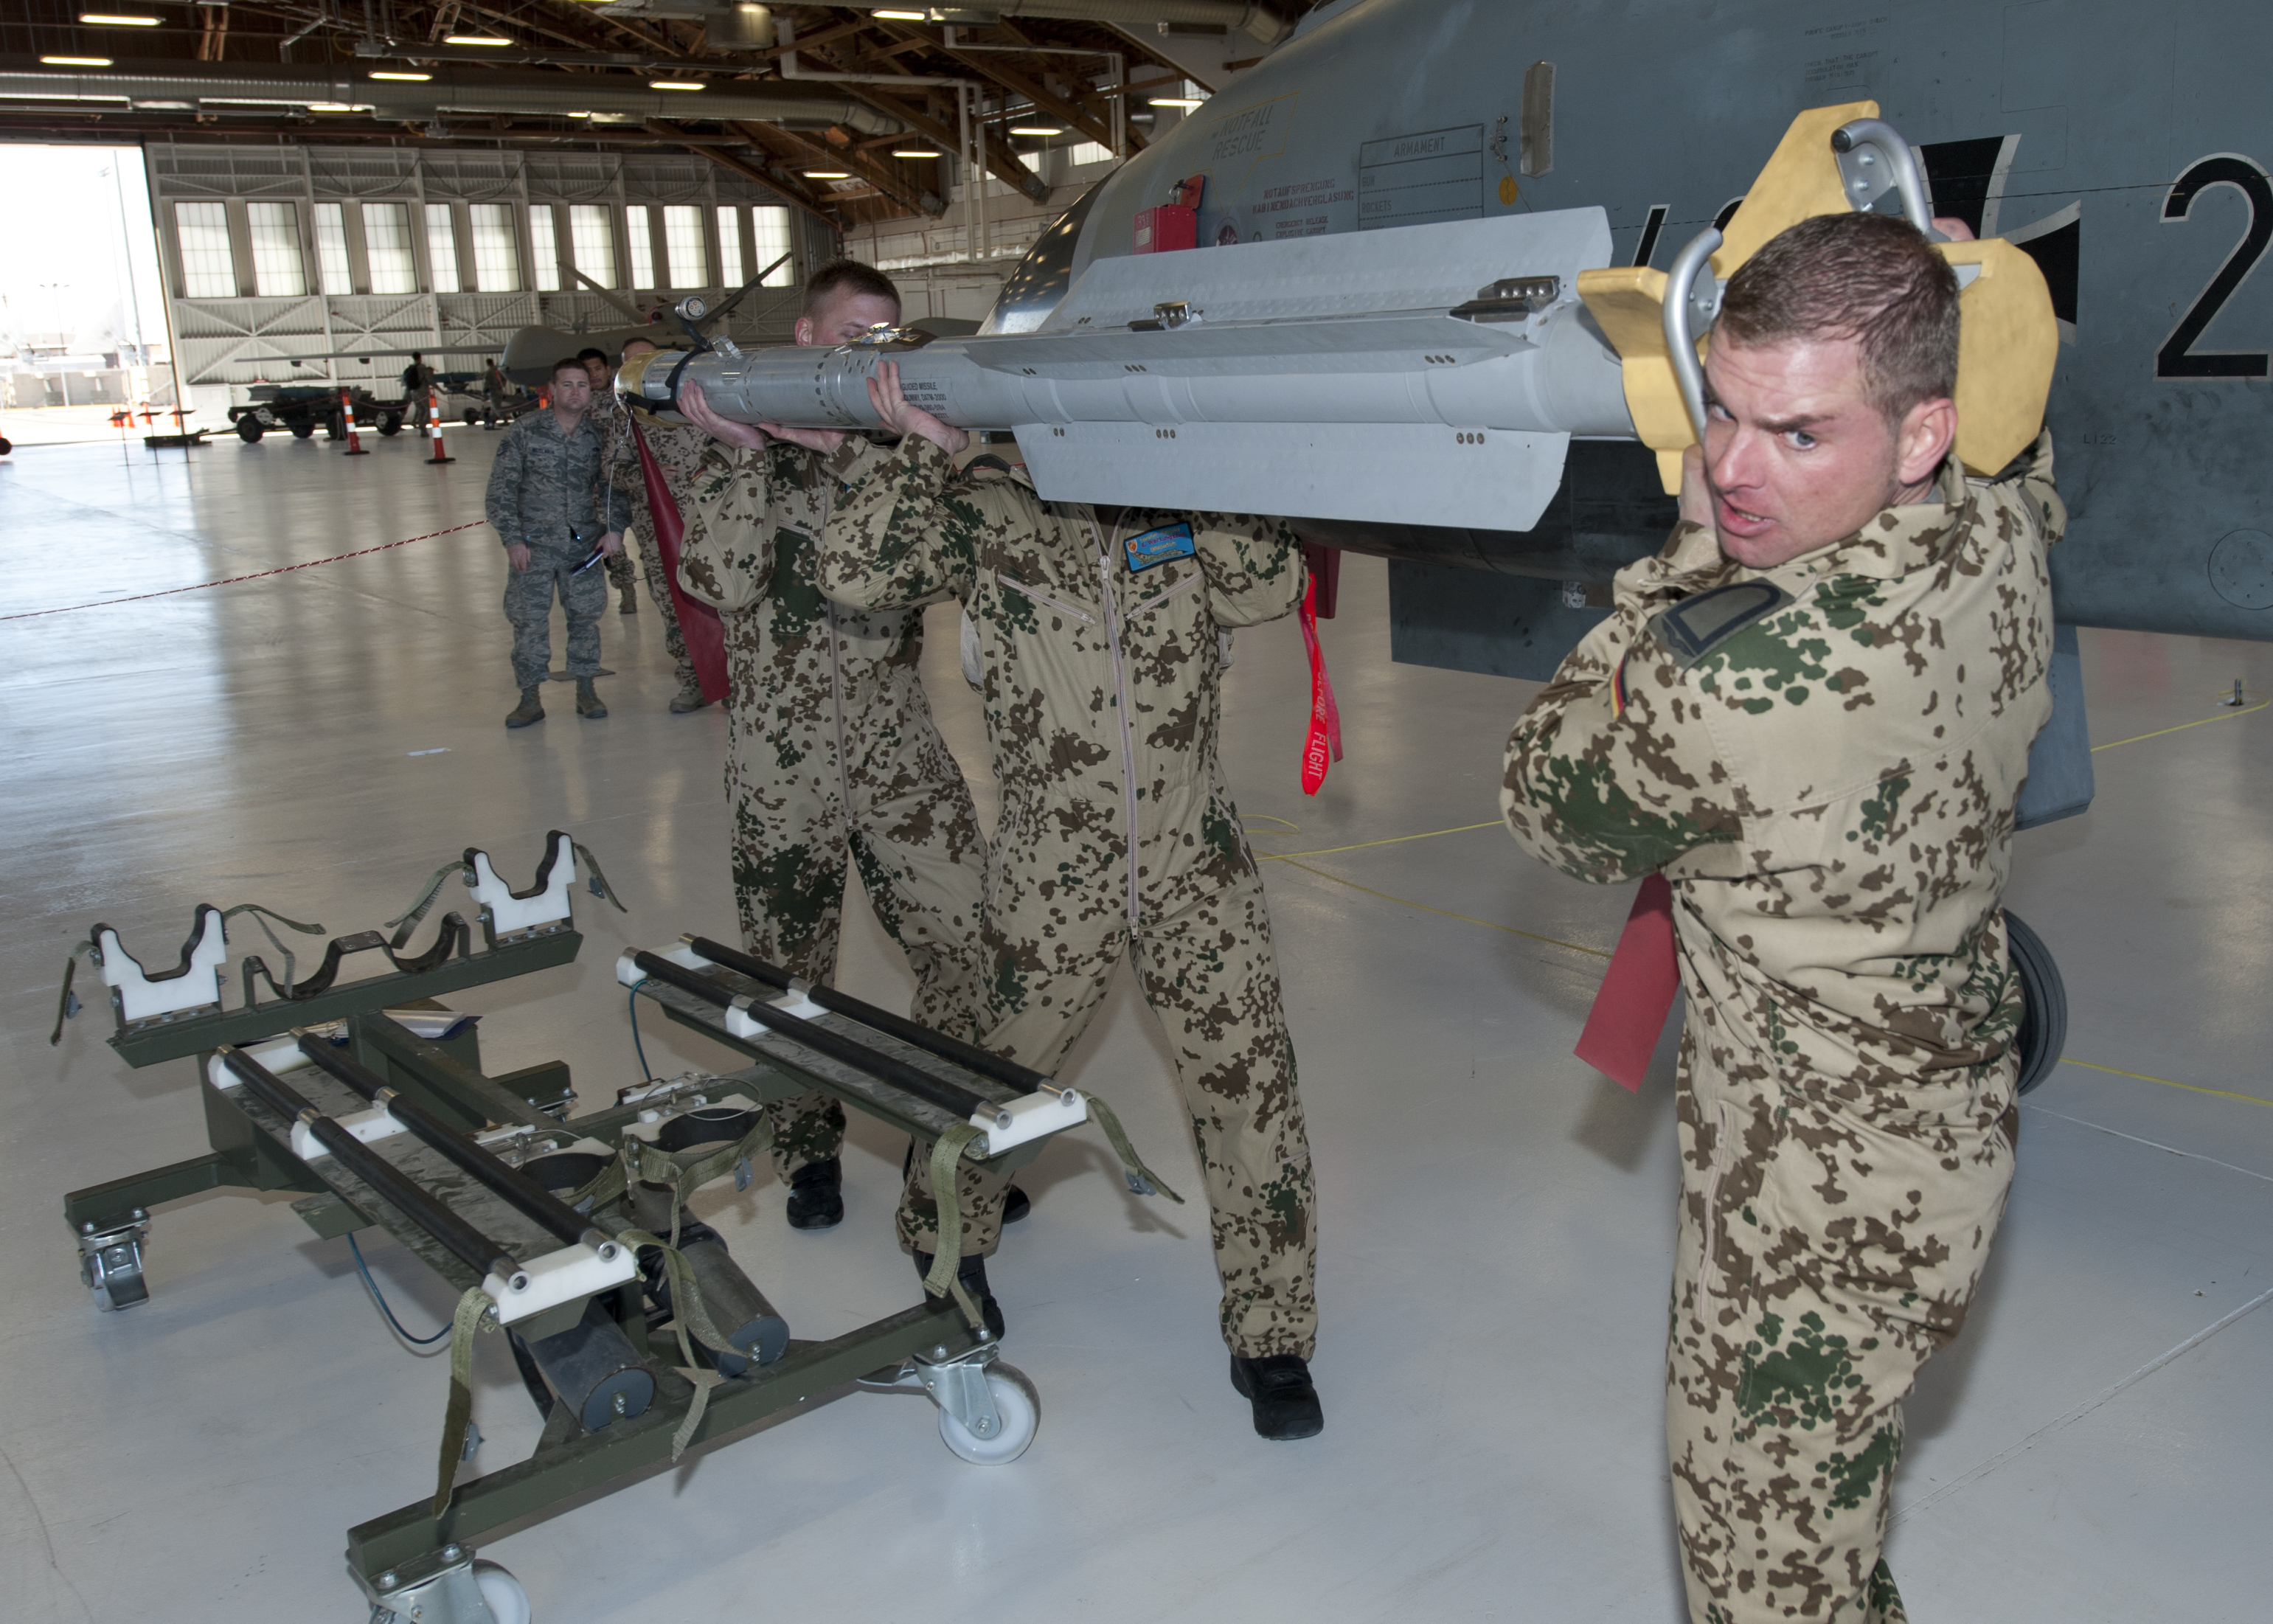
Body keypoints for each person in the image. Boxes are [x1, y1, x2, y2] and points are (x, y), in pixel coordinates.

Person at [1499, 211, 2062, 1623]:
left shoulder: (1734, 684)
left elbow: (1541, 799)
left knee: (1761, 1577)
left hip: (1802, 1221)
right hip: (1939, 1145)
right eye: (1722, 414)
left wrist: (1679, 565)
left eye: (1796, 435)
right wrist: (1963, 283)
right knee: (1832, 1537)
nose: (1732, 471)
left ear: (1921, 432)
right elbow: (2028, 455)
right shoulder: (1994, 543)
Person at [813, 356, 1325, 1443]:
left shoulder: (1176, 504)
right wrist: (924, 451)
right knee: (998, 1085)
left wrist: (1200, 460)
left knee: (1252, 1093)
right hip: (1054, 869)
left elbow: (1272, 582)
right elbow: (853, 572)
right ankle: (942, 1240)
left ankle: (1272, 1333)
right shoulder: (988, 508)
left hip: (1197, 857)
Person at [673, 260, 996, 1262]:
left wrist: (885, 458)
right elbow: (717, 583)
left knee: (970, 942)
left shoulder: (905, 454)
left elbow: (930, 565)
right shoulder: (735, 449)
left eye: (887, 337)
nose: (874, 353)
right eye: (855, 332)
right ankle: (806, 1143)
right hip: (783, 767)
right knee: (787, 971)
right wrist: (744, 456)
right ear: (808, 338)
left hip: (901, 750)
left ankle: (945, 1146)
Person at [482, 356, 627, 728]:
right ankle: (529, 698)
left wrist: (615, 530)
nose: (575, 392)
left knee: (586, 618)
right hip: (534, 545)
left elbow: (614, 486)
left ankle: (586, 690)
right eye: (567, 385)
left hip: (583, 544)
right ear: (551, 390)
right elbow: (501, 491)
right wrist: (513, 540)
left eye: (582, 385)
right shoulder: (526, 431)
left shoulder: (598, 436)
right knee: (529, 621)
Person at [597, 336, 709, 713]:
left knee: (728, 600)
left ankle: (736, 682)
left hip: (713, 522)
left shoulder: (697, 399)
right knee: (673, 603)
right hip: (658, 528)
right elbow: (612, 469)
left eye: (648, 359)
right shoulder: (624, 415)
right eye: (632, 362)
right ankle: (693, 680)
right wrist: (648, 475)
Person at [577, 345, 643, 617]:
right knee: (610, 544)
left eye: (597, 368)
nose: (593, 375)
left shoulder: (625, 397)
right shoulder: (579, 404)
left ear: (608, 370)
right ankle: (626, 588)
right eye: (587, 371)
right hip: (602, 487)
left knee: (652, 545)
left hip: (635, 482)